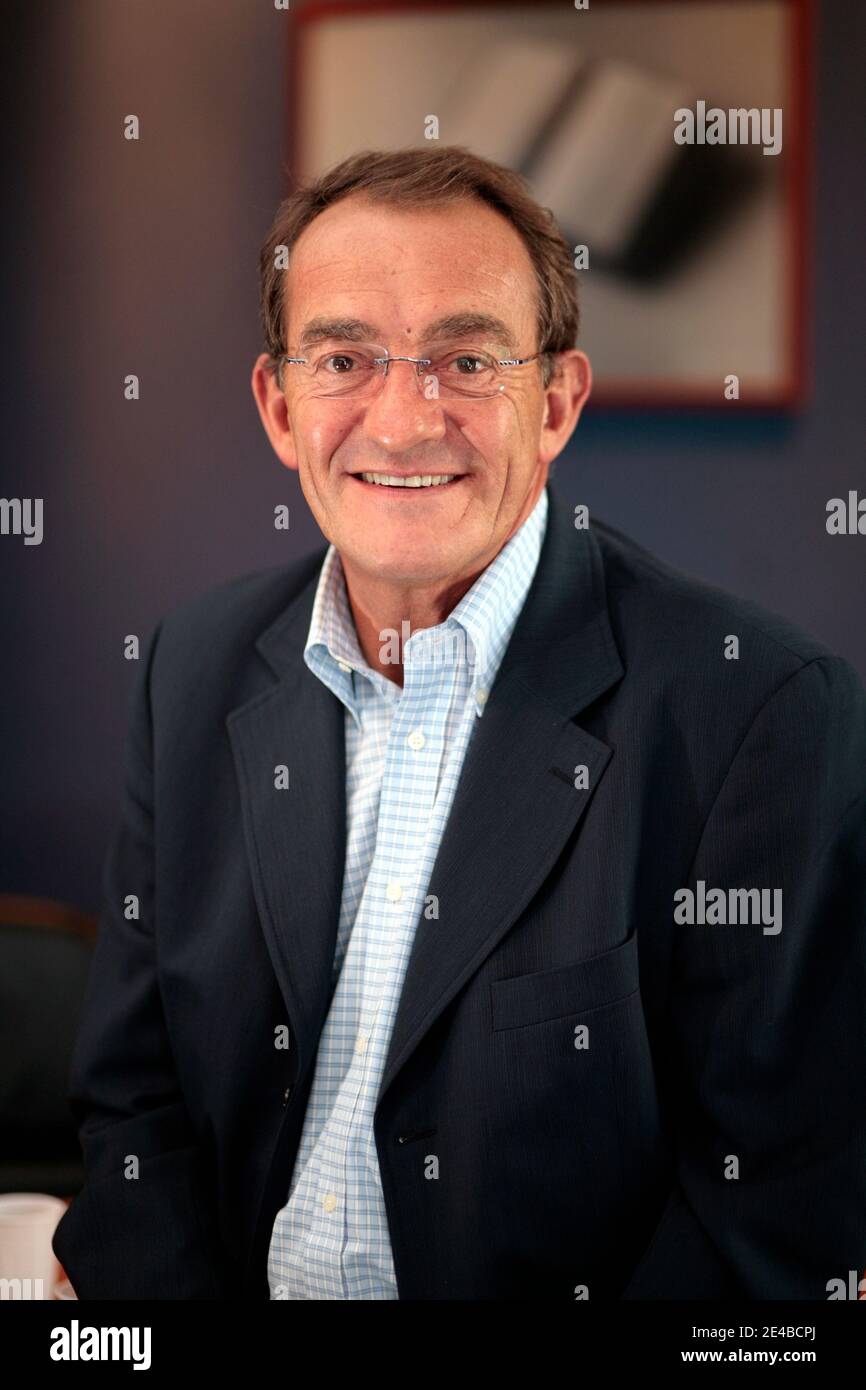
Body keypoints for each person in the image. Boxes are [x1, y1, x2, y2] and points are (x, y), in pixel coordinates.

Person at [53, 147, 866, 1300]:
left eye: (466, 358)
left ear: (557, 404)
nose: (402, 418)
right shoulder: (188, 669)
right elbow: (137, 1104)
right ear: (280, 408)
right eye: (344, 358)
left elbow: (767, 1225)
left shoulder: (761, 715)